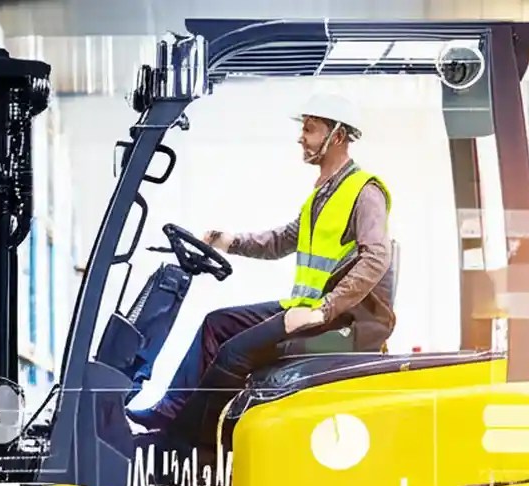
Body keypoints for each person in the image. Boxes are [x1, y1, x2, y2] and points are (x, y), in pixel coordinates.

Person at [127, 92, 396, 433]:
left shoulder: (365, 192)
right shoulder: (322, 195)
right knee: (216, 325)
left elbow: (376, 256)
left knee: (233, 353)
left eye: (310, 129)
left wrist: (324, 310)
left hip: (336, 320)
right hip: (304, 307)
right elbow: (282, 241)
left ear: (338, 135)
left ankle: (195, 441)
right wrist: (228, 241)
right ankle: (170, 413)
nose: (301, 137)